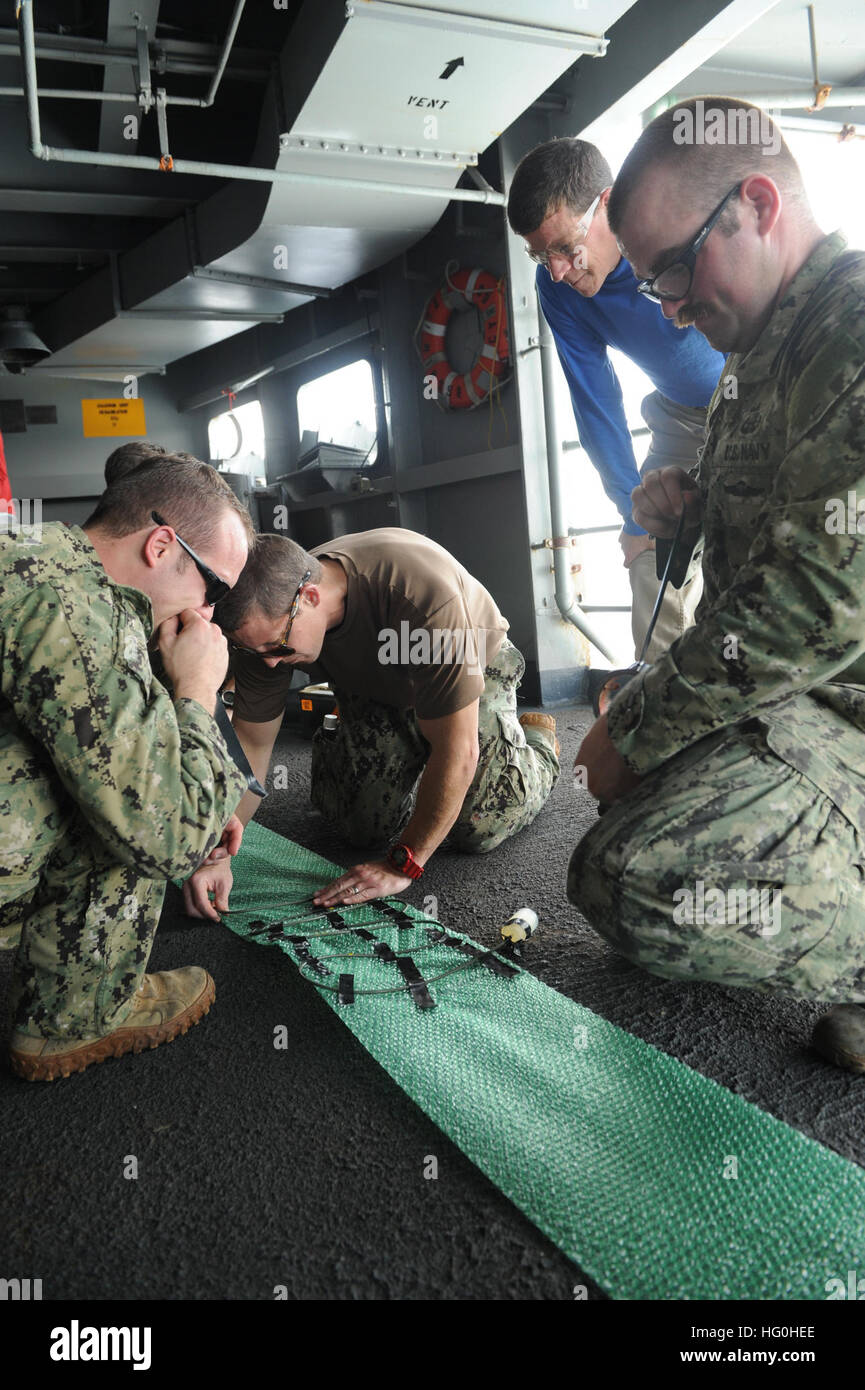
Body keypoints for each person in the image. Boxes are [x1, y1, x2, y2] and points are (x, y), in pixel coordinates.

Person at [566, 96, 865, 1072]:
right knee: (626, 804)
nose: (672, 309)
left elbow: (817, 602)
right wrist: (687, 507)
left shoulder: (850, 335)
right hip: (801, 702)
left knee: (637, 880)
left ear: (757, 203)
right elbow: (775, 542)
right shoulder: (755, 358)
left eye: (674, 272)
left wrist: (645, 729)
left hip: (838, 704)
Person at [1, 455, 254, 1080]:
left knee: (110, 763)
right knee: (128, 805)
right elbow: (168, 834)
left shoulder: (41, 557)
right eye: (213, 588)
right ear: (162, 544)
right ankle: (77, 1017)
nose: (209, 615)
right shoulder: (78, 617)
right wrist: (197, 687)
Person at [182, 527, 560, 918]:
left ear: (310, 597)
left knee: (476, 827)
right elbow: (254, 742)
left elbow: (458, 750)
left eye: (278, 648)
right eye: (254, 650)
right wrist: (217, 853)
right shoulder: (265, 621)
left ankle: (538, 745)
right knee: (359, 828)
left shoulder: (424, 599)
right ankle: (411, 749)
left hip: (472, 665)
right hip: (376, 685)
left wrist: (403, 864)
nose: (271, 664)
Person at [507, 137, 726, 660]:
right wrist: (632, 514)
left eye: (564, 246)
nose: (556, 268)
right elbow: (596, 401)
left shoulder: (684, 231)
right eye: (540, 254)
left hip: (762, 387)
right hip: (679, 414)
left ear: (608, 202)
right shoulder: (555, 287)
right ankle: (662, 710)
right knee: (650, 548)